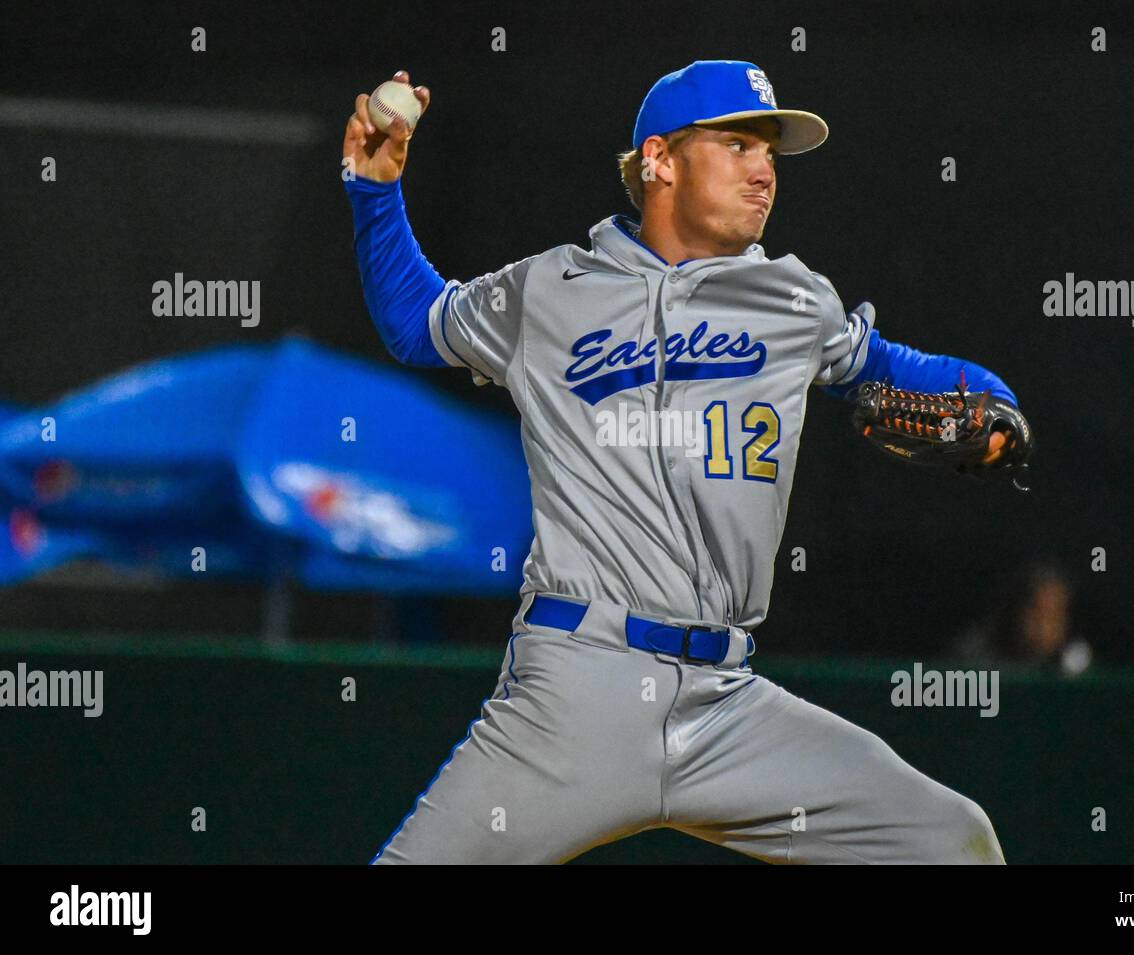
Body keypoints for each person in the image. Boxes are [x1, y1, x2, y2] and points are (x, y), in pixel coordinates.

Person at [344, 61, 1020, 864]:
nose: (764, 169)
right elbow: (415, 322)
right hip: (575, 688)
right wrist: (375, 191)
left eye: (770, 152)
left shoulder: (795, 301)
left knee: (951, 840)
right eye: (738, 144)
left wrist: (995, 401)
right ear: (660, 160)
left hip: (727, 704)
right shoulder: (550, 291)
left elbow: (903, 372)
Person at [951, 559, 1093, 677]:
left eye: (1054, 616)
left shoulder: (1073, 661)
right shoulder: (975, 655)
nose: (1044, 626)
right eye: (1037, 613)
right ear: (1016, 610)